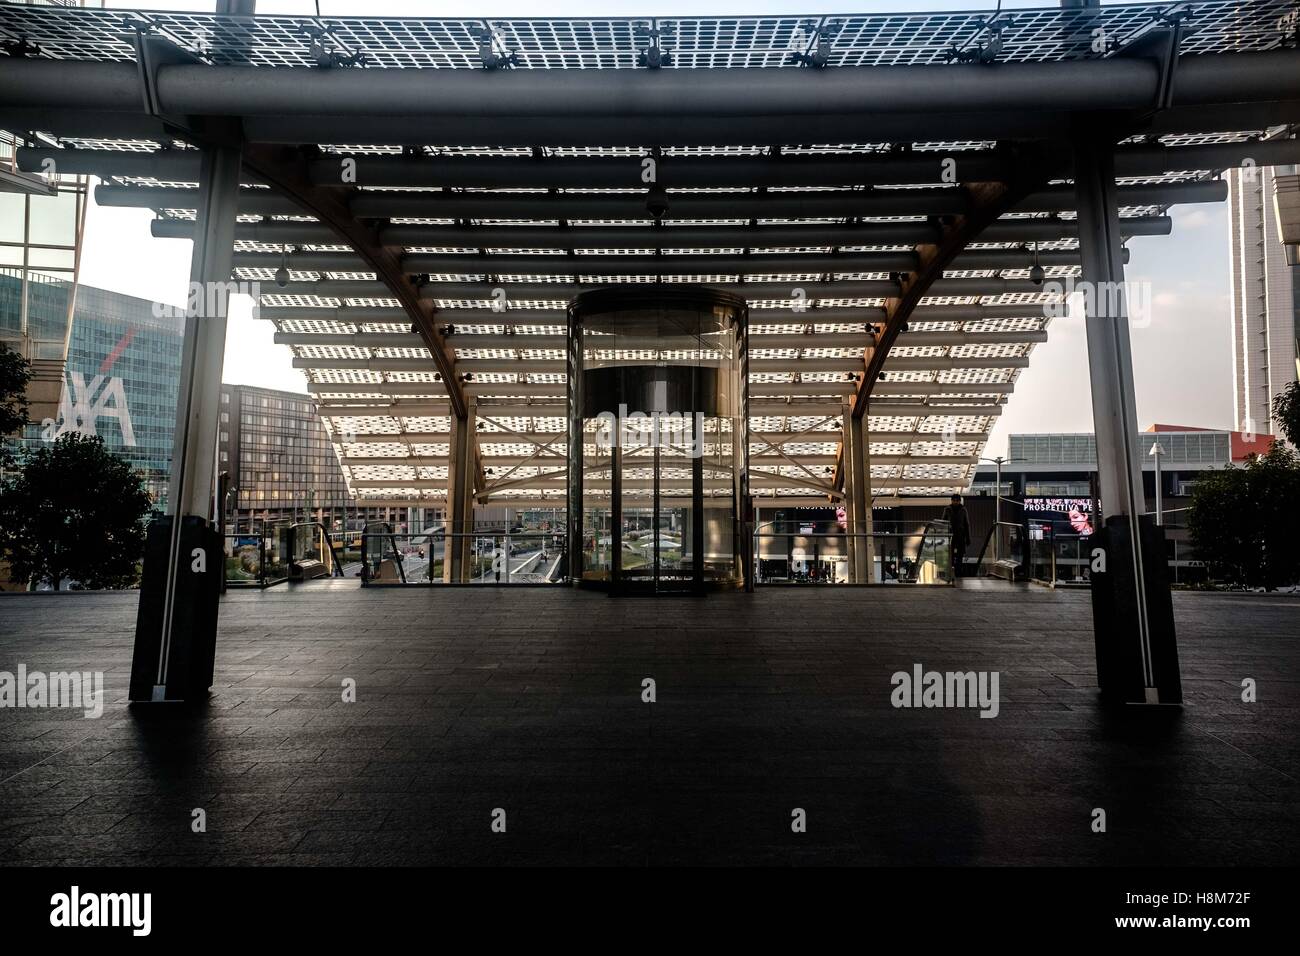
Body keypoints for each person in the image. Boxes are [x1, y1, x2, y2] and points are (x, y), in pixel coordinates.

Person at [943, 494, 972, 579]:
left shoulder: (963, 510)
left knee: (960, 555)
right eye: (954, 500)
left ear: (959, 501)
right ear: (951, 500)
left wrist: (968, 538)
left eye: (957, 500)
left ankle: (958, 572)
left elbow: (966, 524)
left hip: (960, 535)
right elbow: (943, 522)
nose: (956, 502)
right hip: (950, 535)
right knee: (950, 555)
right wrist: (943, 536)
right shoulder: (947, 509)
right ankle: (951, 572)